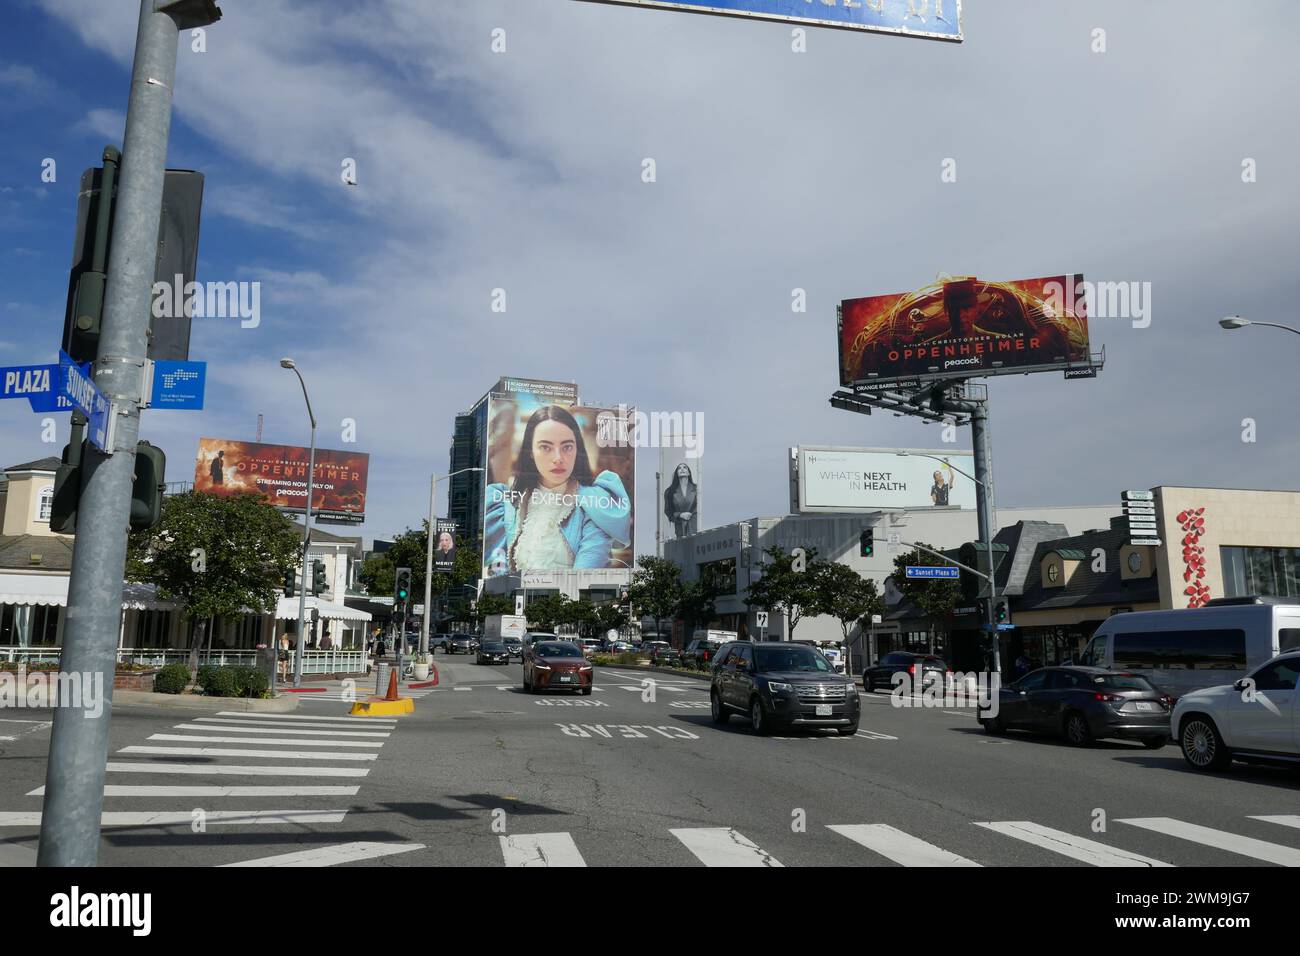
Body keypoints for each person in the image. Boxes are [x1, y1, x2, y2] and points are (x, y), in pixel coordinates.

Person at [483, 405, 631, 575]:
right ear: (530, 451)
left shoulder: (594, 504)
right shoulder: (508, 504)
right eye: (546, 447)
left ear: (577, 450)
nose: (558, 458)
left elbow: (585, 576)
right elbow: (498, 571)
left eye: (567, 447)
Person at [663, 462, 699, 539]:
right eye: (679, 468)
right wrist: (680, 515)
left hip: (695, 527)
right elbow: (668, 511)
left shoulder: (697, 489)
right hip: (680, 528)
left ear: (689, 473)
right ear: (677, 473)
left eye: (685, 467)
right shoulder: (669, 491)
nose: (682, 469)